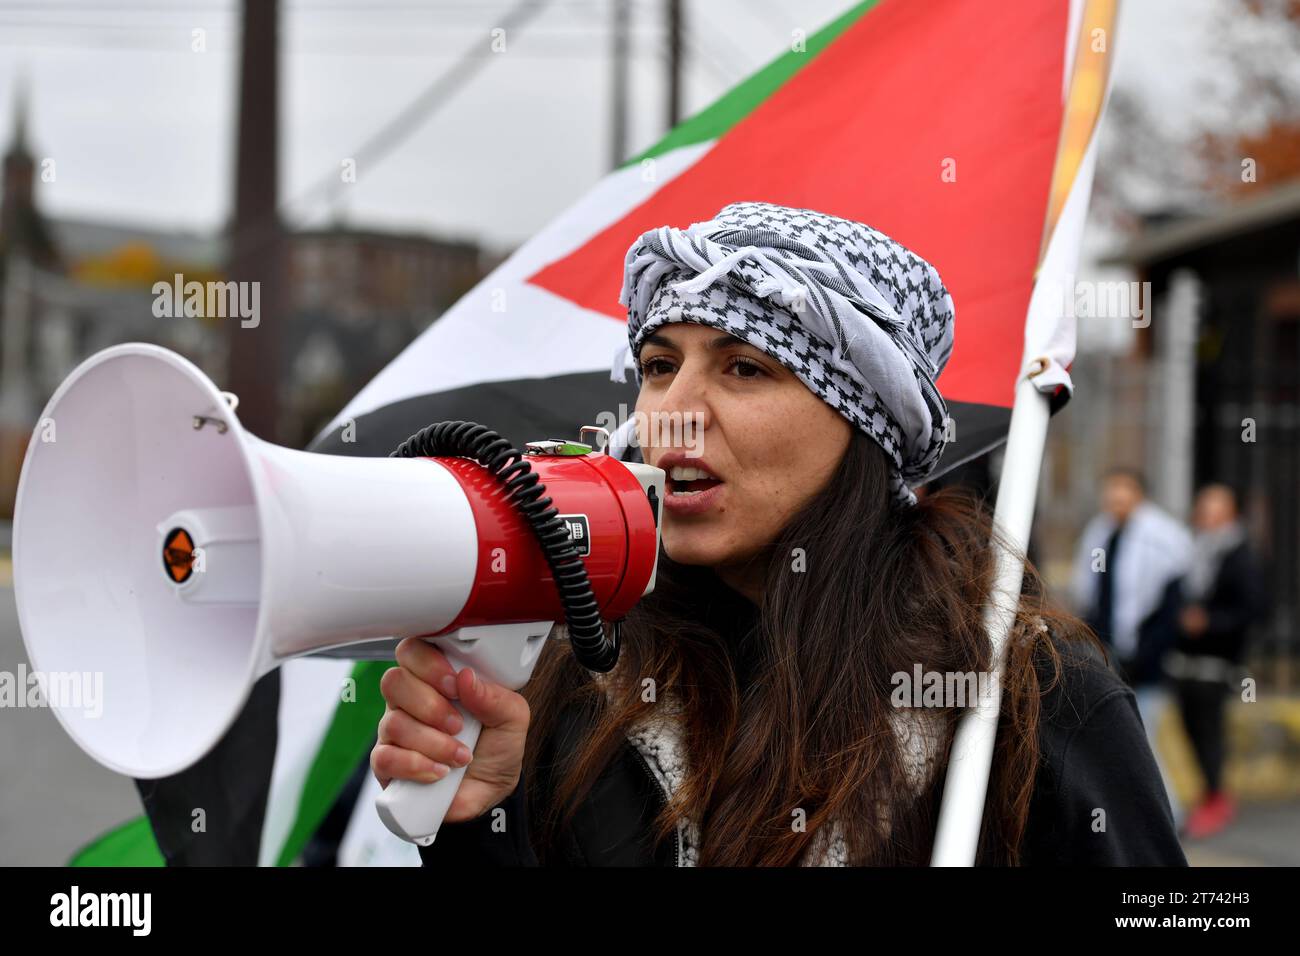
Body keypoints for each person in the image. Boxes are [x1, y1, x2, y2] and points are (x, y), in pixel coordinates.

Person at [372, 201, 1187, 866]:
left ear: (864, 426)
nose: (676, 412)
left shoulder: (1027, 695)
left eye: (745, 368)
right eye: (660, 366)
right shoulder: (575, 680)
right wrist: (477, 827)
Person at [1070, 466, 1192, 829]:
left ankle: (1169, 814)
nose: (1116, 500)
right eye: (1111, 492)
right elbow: (1090, 597)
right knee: (1121, 737)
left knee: (1144, 738)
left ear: (1139, 494)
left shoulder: (1163, 541)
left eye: (1123, 491)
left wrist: (1143, 656)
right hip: (1109, 657)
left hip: (1145, 663)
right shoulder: (1100, 533)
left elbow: (1168, 613)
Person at [1162, 483, 1266, 839]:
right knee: (1190, 728)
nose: (1207, 517)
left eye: (1215, 511)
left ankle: (1215, 796)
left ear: (1230, 514)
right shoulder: (1194, 550)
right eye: (1203, 510)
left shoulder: (1240, 556)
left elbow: (1252, 610)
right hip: (1186, 660)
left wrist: (1210, 622)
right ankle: (1209, 793)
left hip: (1217, 661)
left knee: (1209, 730)